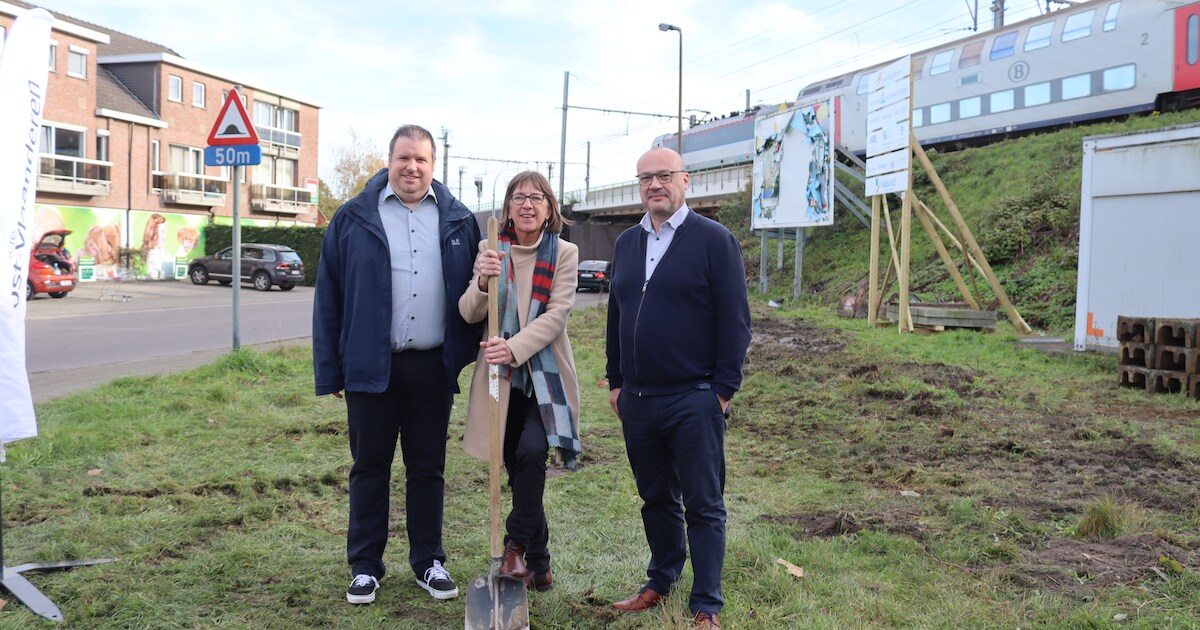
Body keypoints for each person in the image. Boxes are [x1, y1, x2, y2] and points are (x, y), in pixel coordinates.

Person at [312, 125, 482, 606]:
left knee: (428, 469)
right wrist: (331, 370)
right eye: (404, 158)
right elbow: (329, 297)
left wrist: (465, 356)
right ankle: (365, 567)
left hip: (431, 367)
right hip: (371, 367)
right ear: (389, 161)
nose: (412, 167)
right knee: (369, 468)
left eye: (421, 159)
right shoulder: (353, 217)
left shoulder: (458, 220)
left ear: (433, 165)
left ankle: (429, 562)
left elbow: (476, 291)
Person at [605, 147, 752, 630]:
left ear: (685, 181)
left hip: (695, 397)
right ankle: (661, 579)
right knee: (656, 498)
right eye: (645, 177)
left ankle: (706, 604)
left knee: (704, 505)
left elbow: (736, 322)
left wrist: (721, 391)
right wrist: (616, 381)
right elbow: (616, 315)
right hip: (638, 401)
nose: (655, 185)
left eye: (664, 175)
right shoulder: (627, 243)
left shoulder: (714, 240)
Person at [458, 171, 581, 593]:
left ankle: (514, 548)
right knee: (520, 470)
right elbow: (469, 312)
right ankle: (540, 565)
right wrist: (481, 280)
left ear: (550, 209)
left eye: (537, 198)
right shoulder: (490, 248)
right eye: (519, 197)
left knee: (531, 453)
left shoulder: (565, 253)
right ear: (508, 207)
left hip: (544, 377)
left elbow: (556, 315)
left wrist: (513, 347)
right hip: (500, 379)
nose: (527, 205)